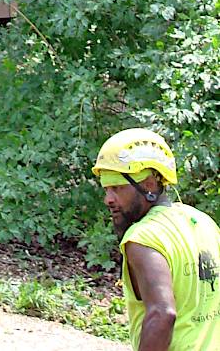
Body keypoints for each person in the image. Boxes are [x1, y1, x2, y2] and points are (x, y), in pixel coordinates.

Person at [93, 127, 220, 350]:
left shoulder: (144, 237)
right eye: (106, 189)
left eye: (117, 188)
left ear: (149, 185)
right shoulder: (203, 223)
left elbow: (162, 314)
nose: (108, 199)